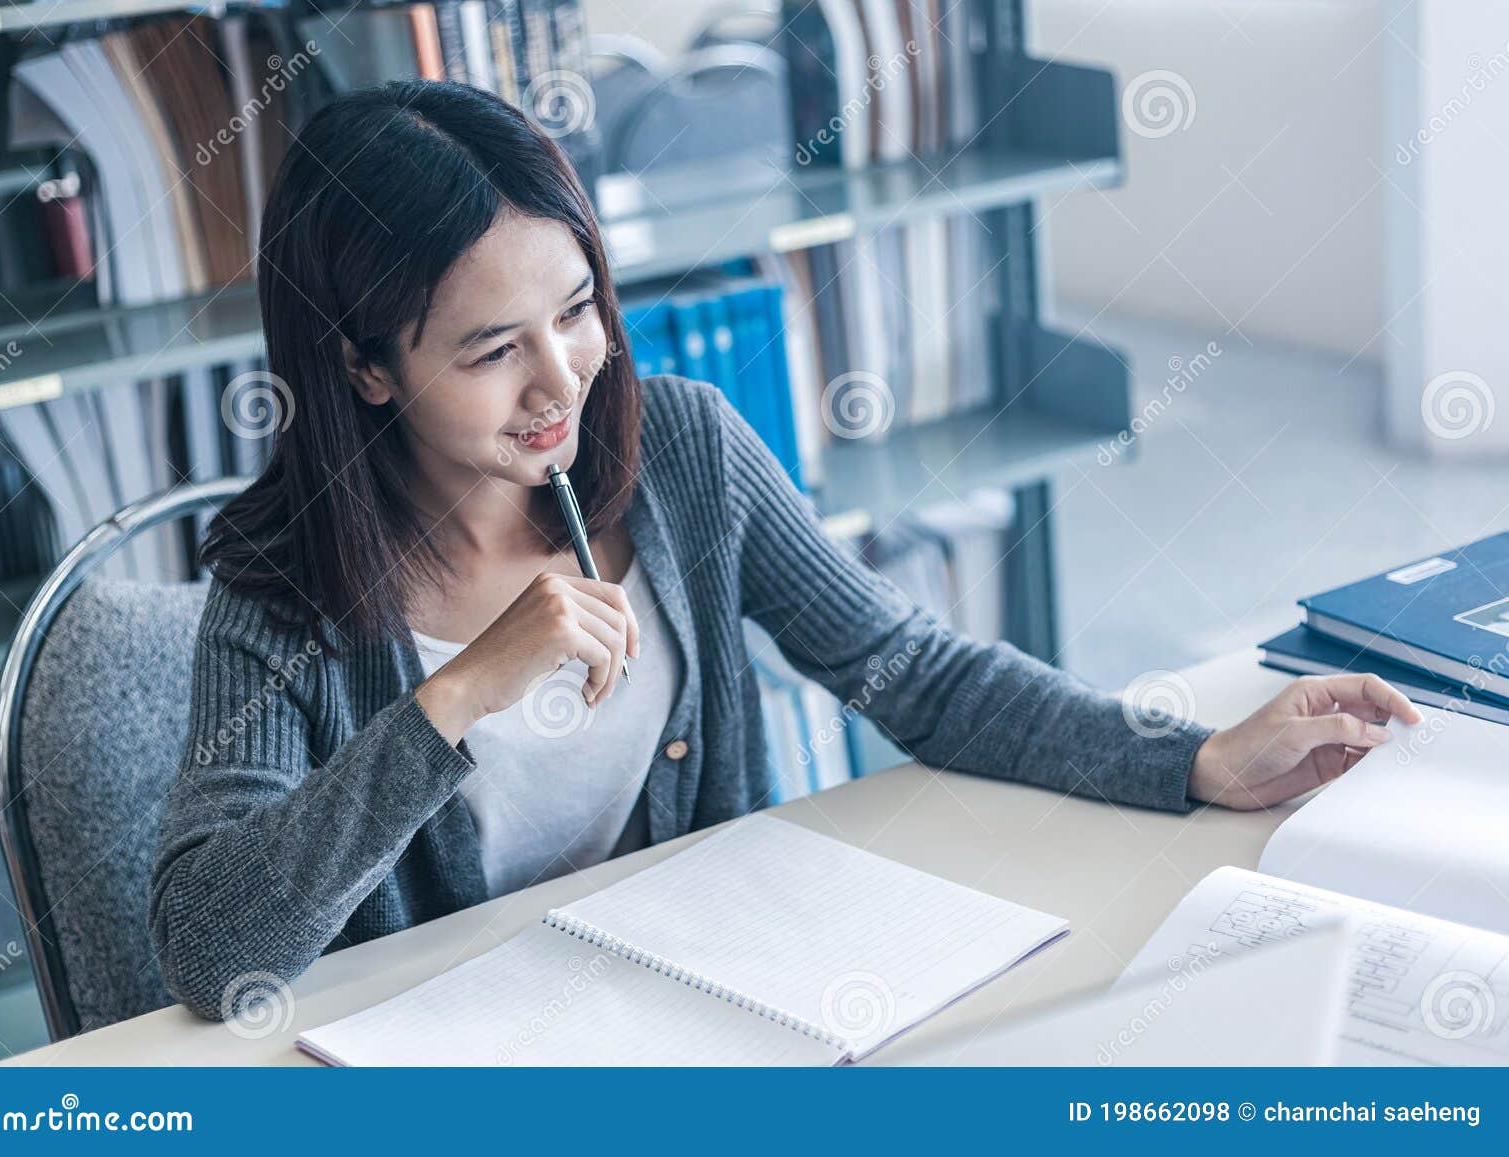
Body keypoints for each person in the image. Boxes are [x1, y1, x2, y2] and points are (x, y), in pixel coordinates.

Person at [149, 80, 1421, 1022]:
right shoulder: (280, 595)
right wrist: (458, 692)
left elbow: (904, 668)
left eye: (579, 309)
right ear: (365, 367)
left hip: (721, 1013)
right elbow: (209, 949)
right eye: (490, 351)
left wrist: (1190, 755)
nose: (561, 380)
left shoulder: (685, 452)